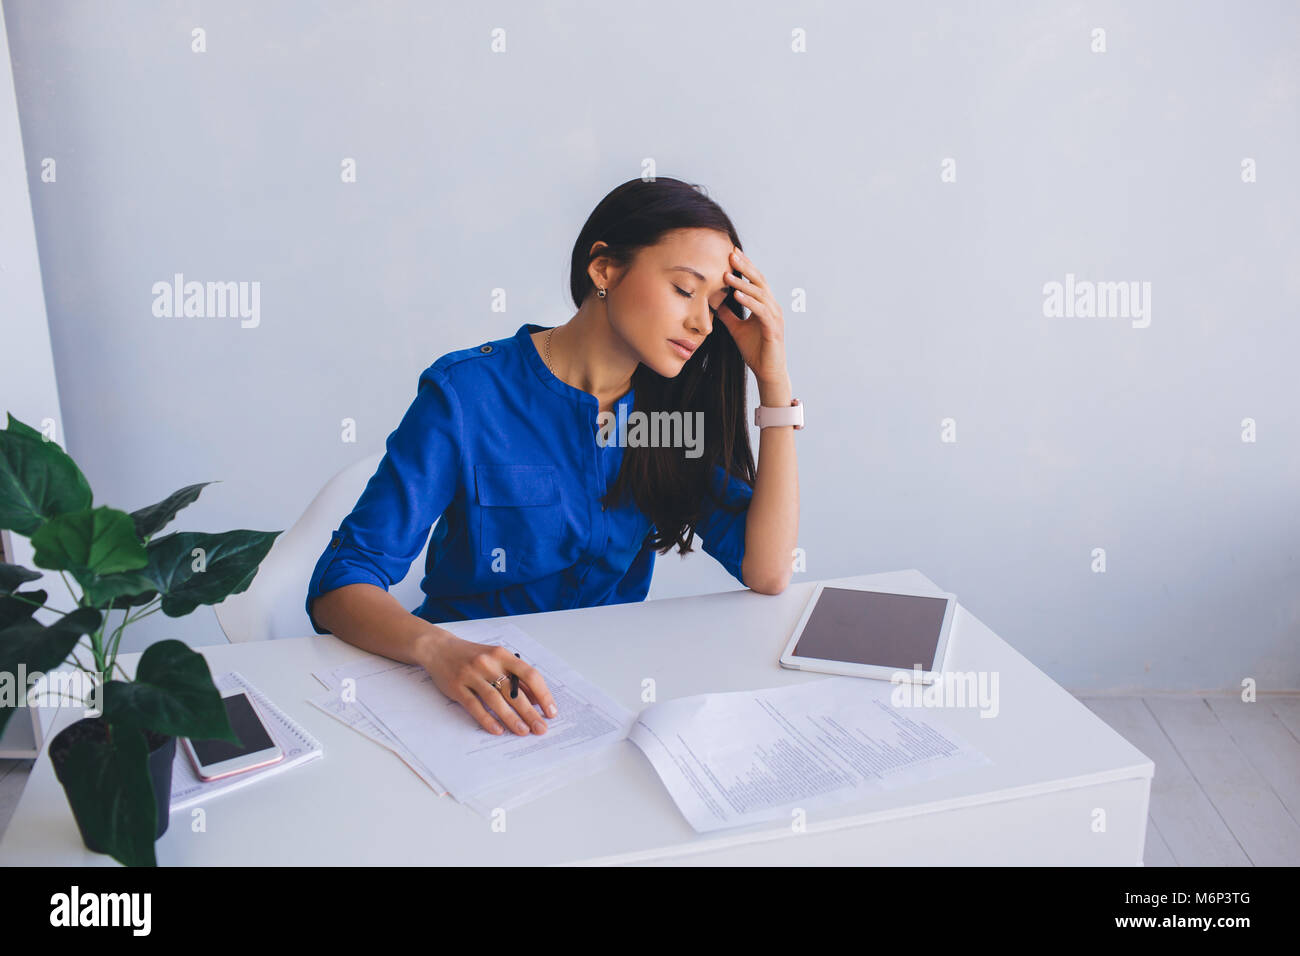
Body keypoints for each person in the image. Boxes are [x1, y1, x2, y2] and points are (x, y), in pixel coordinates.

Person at [306, 177, 800, 738]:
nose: (702, 324)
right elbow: (341, 584)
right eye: (685, 290)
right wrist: (438, 650)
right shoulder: (468, 395)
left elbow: (767, 571)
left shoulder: (665, 417)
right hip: (464, 702)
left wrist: (773, 380)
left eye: (715, 307)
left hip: (605, 703)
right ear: (604, 269)